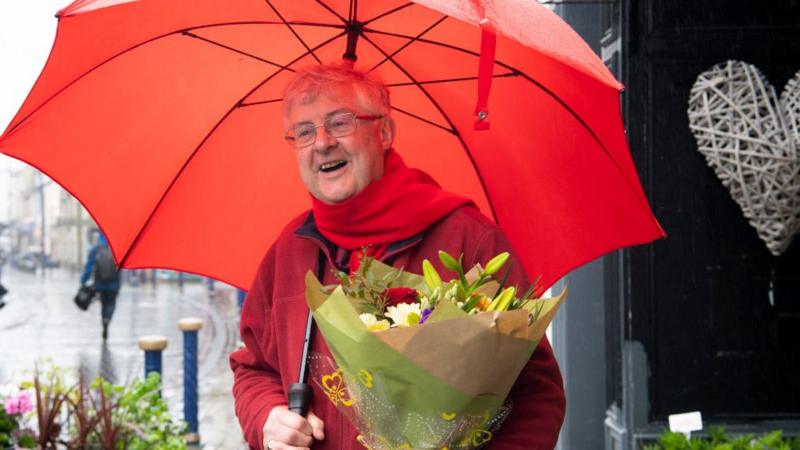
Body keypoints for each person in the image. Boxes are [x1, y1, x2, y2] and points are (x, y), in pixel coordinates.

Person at [230, 64, 565, 450]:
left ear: (384, 132)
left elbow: (535, 393)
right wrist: (267, 418)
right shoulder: (289, 250)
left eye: (341, 122)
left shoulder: (466, 239)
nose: (322, 142)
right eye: (304, 132)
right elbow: (253, 368)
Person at [80, 231, 120, 340]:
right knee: (111, 305)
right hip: (114, 284)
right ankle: (108, 320)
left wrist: (83, 281)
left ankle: (104, 322)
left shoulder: (96, 249)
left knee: (103, 304)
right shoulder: (116, 249)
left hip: (100, 285)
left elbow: (89, 267)